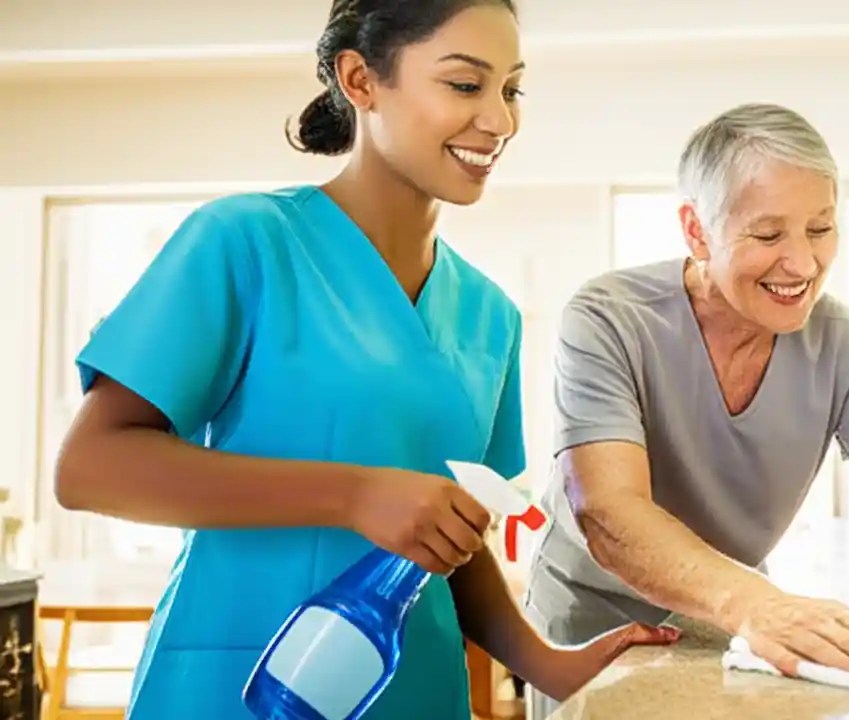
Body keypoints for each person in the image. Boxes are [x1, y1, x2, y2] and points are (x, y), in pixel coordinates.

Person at [53, 1, 676, 718]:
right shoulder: (244, 242)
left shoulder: (490, 314)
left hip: (416, 693)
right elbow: (90, 467)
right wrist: (356, 495)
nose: (501, 120)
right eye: (466, 85)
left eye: (512, 89)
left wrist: (551, 664)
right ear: (360, 80)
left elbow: (455, 540)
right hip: (236, 684)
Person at [522, 102, 849, 716]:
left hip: (729, 626)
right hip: (595, 630)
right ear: (696, 230)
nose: (803, 265)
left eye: (820, 228)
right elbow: (609, 512)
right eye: (767, 234)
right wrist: (756, 604)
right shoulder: (607, 317)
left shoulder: (843, 342)